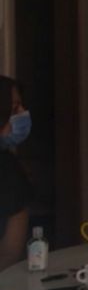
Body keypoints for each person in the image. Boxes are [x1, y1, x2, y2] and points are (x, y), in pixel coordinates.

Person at [0, 76, 33, 271]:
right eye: (14, 108)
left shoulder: (10, 172)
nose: (22, 113)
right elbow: (10, 253)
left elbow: (10, 252)